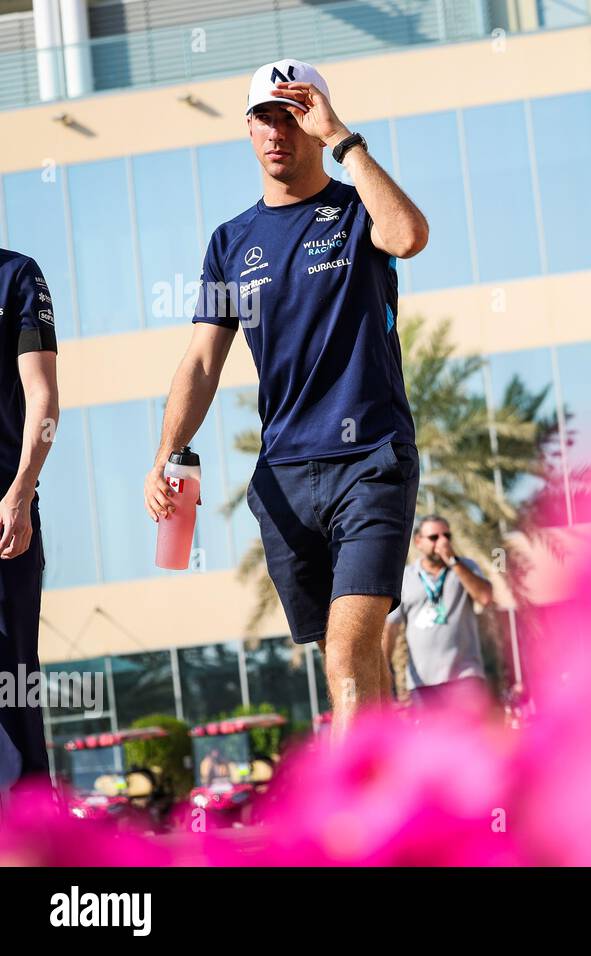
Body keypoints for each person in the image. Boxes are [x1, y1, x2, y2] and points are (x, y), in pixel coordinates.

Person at [142, 59, 429, 741]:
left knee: (348, 653)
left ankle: (352, 833)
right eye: (265, 116)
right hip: (285, 478)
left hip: (372, 460)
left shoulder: (360, 210)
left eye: (294, 114)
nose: (278, 130)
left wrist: (346, 142)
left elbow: (409, 237)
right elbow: (202, 360)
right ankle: (403, 800)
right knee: (354, 656)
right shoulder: (229, 244)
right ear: (247, 129)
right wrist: (163, 455)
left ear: (316, 121)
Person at [0, 247, 60, 790]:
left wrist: (21, 491)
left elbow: (42, 397)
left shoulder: (16, 276)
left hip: (3, 513)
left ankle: (32, 836)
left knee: (12, 677)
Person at [383, 516, 494, 710]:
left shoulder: (466, 567)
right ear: (418, 541)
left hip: (465, 677)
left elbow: (485, 597)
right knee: (433, 740)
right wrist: (383, 674)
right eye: (434, 537)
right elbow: (390, 629)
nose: (442, 542)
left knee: (473, 738)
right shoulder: (405, 578)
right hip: (423, 684)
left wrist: (453, 561)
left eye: (447, 536)